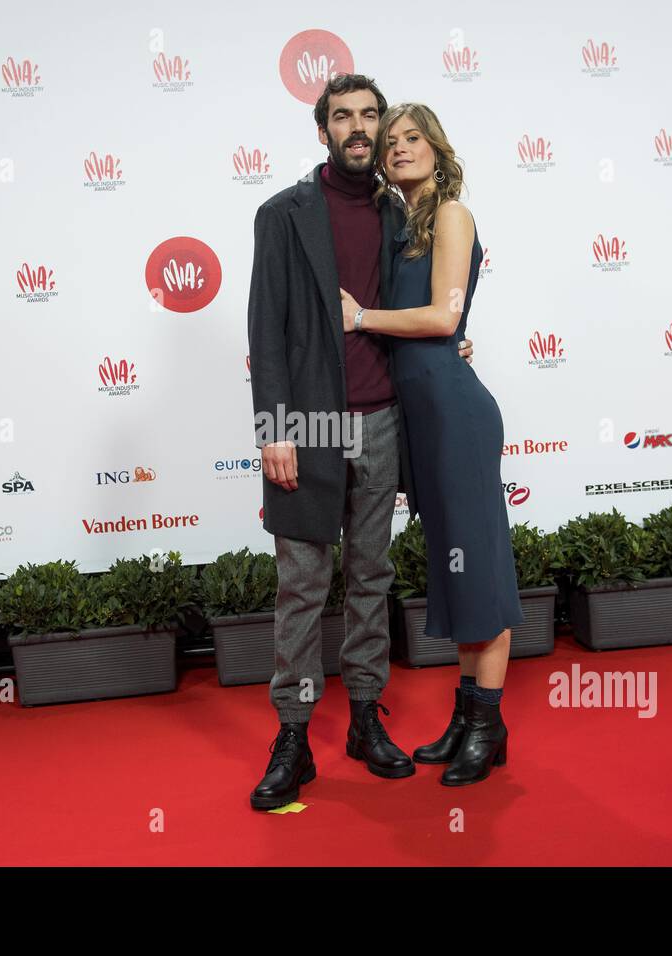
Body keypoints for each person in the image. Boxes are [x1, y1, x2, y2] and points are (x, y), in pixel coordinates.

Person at [245, 75, 474, 810]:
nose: (359, 128)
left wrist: (455, 344)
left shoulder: (400, 212)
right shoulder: (282, 214)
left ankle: (366, 718)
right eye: (343, 116)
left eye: (370, 116)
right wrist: (274, 427)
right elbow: (266, 332)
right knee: (303, 584)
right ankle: (292, 736)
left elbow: (428, 305)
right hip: (309, 425)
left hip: (380, 417)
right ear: (322, 131)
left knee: (371, 577)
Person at [339, 102, 522, 786]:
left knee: (480, 570)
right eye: (390, 142)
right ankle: (469, 717)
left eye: (412, 138)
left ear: (438, 150)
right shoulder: (397, 224)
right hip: (419, 414)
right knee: (454, 571)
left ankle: (487, 724)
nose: (399, 149)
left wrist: (363, 317)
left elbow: (445, 314)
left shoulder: (450, 215)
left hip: (454, 413)